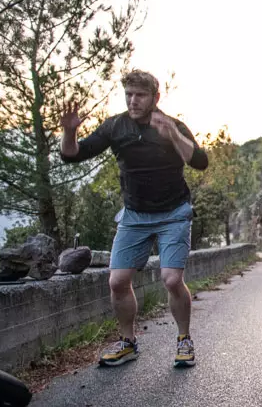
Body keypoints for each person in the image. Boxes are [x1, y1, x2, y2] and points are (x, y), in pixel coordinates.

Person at [60, 70, 209, 368]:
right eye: (128, 94)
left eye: (139, 95)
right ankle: (128, 342)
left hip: (174, 214)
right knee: (117, 281)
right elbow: (73, 155)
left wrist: (173, 135)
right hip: (134, 215)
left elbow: (200, 162)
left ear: (155, 97)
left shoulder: (171, 125)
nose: (133, 100)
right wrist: (70, 131)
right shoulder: (116, 126)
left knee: (171, 278)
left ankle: (184, 340)